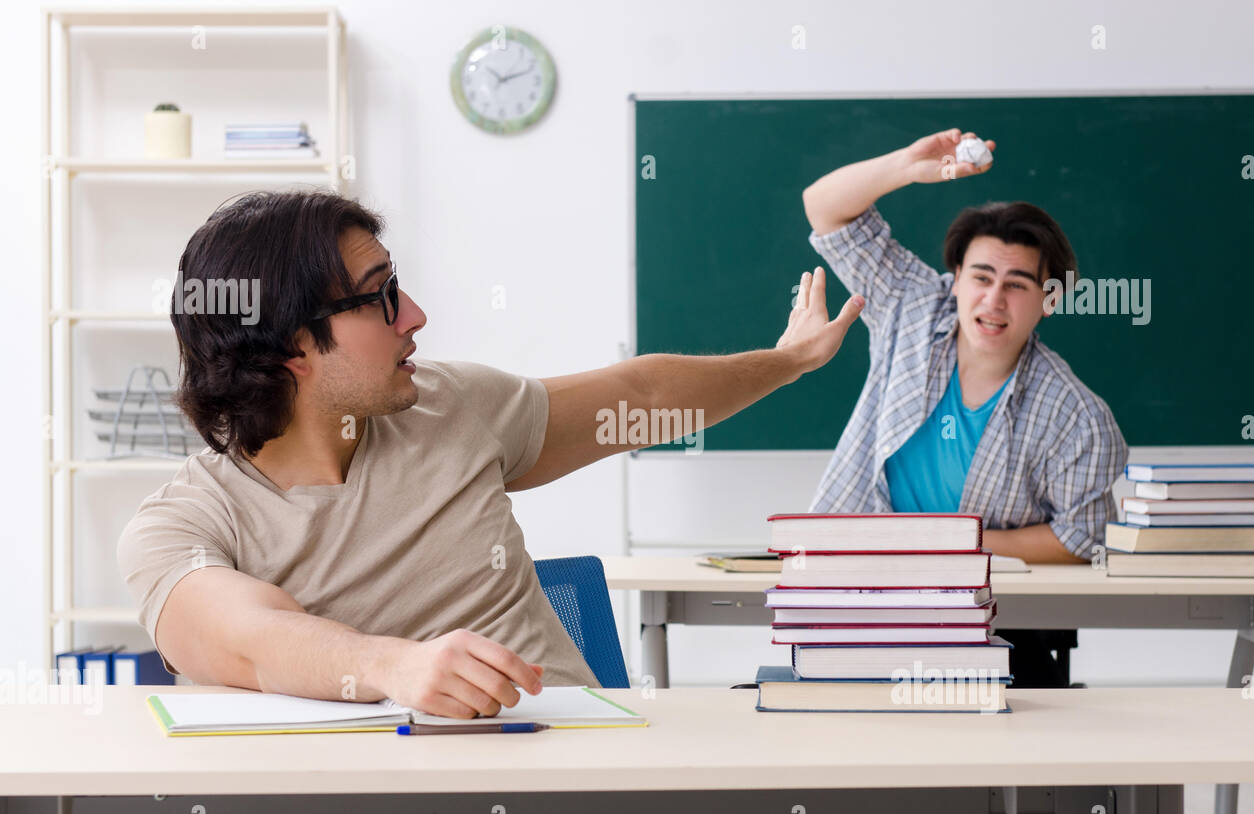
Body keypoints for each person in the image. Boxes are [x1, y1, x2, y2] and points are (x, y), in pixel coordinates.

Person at [117, 189, 864, 719]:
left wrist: (788, 360)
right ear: (293, 347)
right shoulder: (180, 528)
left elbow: (637, 396)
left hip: (575, 766)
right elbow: (245, 639)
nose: (415, 316)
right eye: (382, 297)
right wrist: (395, 667)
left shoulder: (452, 406)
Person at [802, 129, 1128, 687]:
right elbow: (824, 209)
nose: (993, 300)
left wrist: (947, 543)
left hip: (993, 619)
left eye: (1018, 284)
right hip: (861, 595)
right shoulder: (911, 307)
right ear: (954, 282)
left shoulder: (1077, 415)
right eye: (980, 277)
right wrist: (905, 166)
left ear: (1049, 299)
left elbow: (1083, 538)